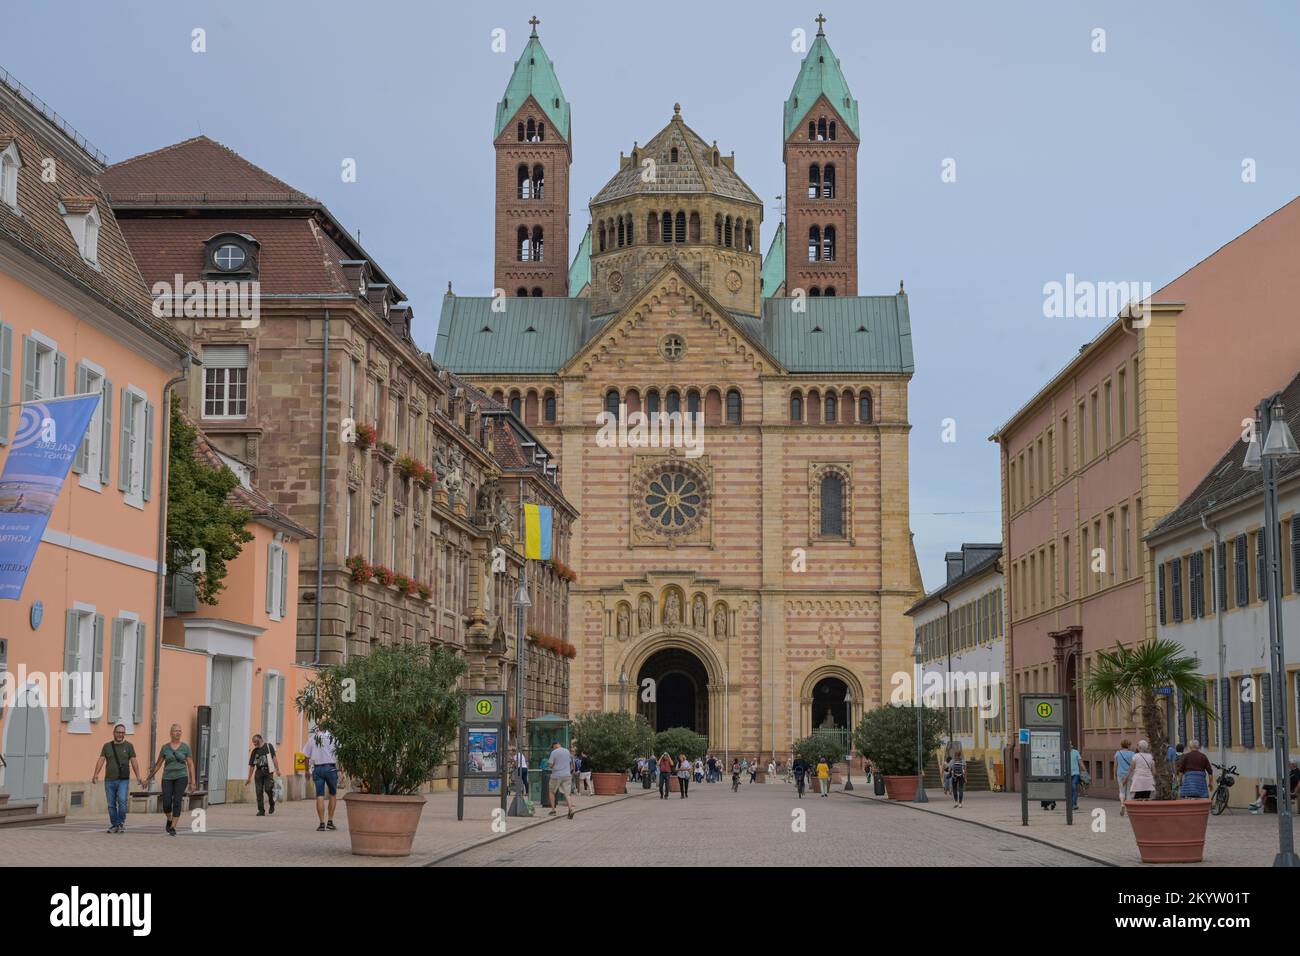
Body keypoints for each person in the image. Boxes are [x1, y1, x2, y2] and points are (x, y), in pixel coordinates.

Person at [144, 723, 196, 837]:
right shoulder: (165, 748)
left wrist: (193, 782)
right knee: (167, 803)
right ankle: (169, 818)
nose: (178, 733)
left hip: (181, 777)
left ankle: (173, 827)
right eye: (175, 731)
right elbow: (158, 765)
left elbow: (191, 765)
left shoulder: (185, 747)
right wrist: (147, 779)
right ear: (171, 733)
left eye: (179, 731)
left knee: (177, 801)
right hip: (167, 777)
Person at [91, 723, 142, 834]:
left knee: (122, 801)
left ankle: (120, 823)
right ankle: (115, 824)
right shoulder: (107, 746)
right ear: (114, 733)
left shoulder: (129, 746)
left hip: (123, 780)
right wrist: (95, 774)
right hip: (109, 779)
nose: (120, 734)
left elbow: (134, 761)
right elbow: (101, 759)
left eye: (123, 733)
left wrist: (138, 776)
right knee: (111, 804)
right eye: (118, 732)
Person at [303, 727, 339, 831]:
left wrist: (306, 770)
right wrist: (342, 770)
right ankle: (330, 822)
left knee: (320, 795)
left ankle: (322, 823)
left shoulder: (313, 738)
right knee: (333, 794)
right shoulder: (333, 737)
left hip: (318, 769)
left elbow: (306, 756)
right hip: (331, 768)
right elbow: (339, 753)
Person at [245, 733, 279, 816]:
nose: (254, 743)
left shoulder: (268, 746)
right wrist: (249, 778)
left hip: (268, 771)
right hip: (259, 772)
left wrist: (277, 769)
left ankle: (272, 803)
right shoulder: (254, 751)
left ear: (259, 739)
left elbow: (274, 758)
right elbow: (252, 766)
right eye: (253, 742)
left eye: (255, 741)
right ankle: (261, 810)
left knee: (268, 789)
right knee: (258, 791)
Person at [546, 741, 576, 819]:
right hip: (567, 775)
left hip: (556, 775)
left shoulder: (554, 752)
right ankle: (570, 810)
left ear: (554, 746)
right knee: (567, 794)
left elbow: (551, 765)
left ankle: (553, 810)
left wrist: (551, 765)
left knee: (552, 792)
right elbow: (570, 763)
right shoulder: (567, 751)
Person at [1113, 739, 1135, 814]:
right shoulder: (1132, 754)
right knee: (1129, 791)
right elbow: (1133, 765)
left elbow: (1115, 765)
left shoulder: (1117, 753)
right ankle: (1128, 808)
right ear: (1128, 745)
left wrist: (1114, 774)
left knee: (1121, 790)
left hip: (1120, 774)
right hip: (1130, 774)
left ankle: (1122, 804)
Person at [946, 742, 966, 808]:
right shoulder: (963, 761)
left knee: (954, 789)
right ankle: (960, 803)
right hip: (961, 776)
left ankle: (956, 802)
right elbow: (965, 770)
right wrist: (965, 778)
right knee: (960, 789)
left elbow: (949, 770)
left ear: (954, 754)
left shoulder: (952, 761)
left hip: (954, 777)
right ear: (960, 755)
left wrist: (950, 771)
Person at [1068, 744, 1082, 811]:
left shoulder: (1076, 752)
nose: (1070, 745)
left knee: (1074, 787)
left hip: (1076, 773)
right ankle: (1071, 803)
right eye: (1068, 744)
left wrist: (1084, 770)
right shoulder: (1064, 752)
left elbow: (1080, 762)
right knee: (1070, 788)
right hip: (1067, 773)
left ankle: (1074, 804)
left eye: (1071, 744)